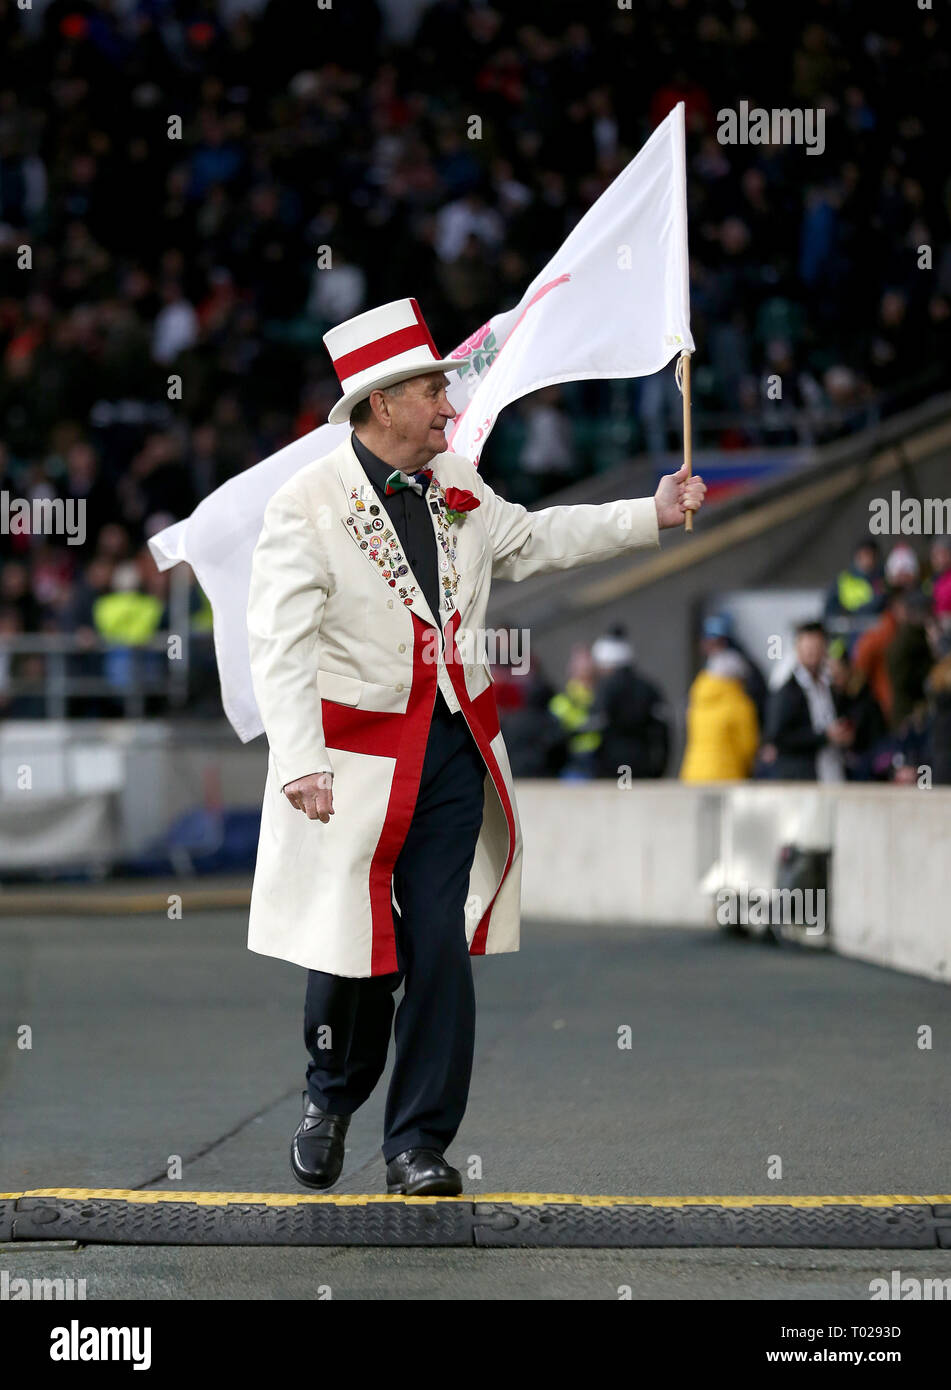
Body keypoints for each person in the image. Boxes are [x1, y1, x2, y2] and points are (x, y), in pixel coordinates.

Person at [246, 297, 706, 1197]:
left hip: (451, 751)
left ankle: (417, 1143)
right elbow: (279, 643)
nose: (448, 407)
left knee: (439, 947)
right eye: (430, 390)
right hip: (353, 764)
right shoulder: (304, 505)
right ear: (381, 403)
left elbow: (534, 539)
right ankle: (328, 1098)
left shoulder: (456, 478)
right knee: (355, 951)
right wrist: (297, 759)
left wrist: (648, 512)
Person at [758, 621, 851, 780]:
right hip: (801, 776)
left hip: (831, 770)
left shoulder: (831, 684)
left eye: (817, 647)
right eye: (808, 648)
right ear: (797, 649)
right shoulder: (787, 689)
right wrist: (824, 737)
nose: (812, 653)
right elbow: (778, 736)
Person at [587, 627, 670, 780]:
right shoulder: (648, 687)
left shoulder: (605, 688)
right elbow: (663, 730)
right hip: (642, 763)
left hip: (610, 764)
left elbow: (595, 723)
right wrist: (660, 766)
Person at [680, 648, 759, 781]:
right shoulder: (740, 704)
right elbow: (748, 747)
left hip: (692, 774)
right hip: (726, 776)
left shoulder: (697, 700)